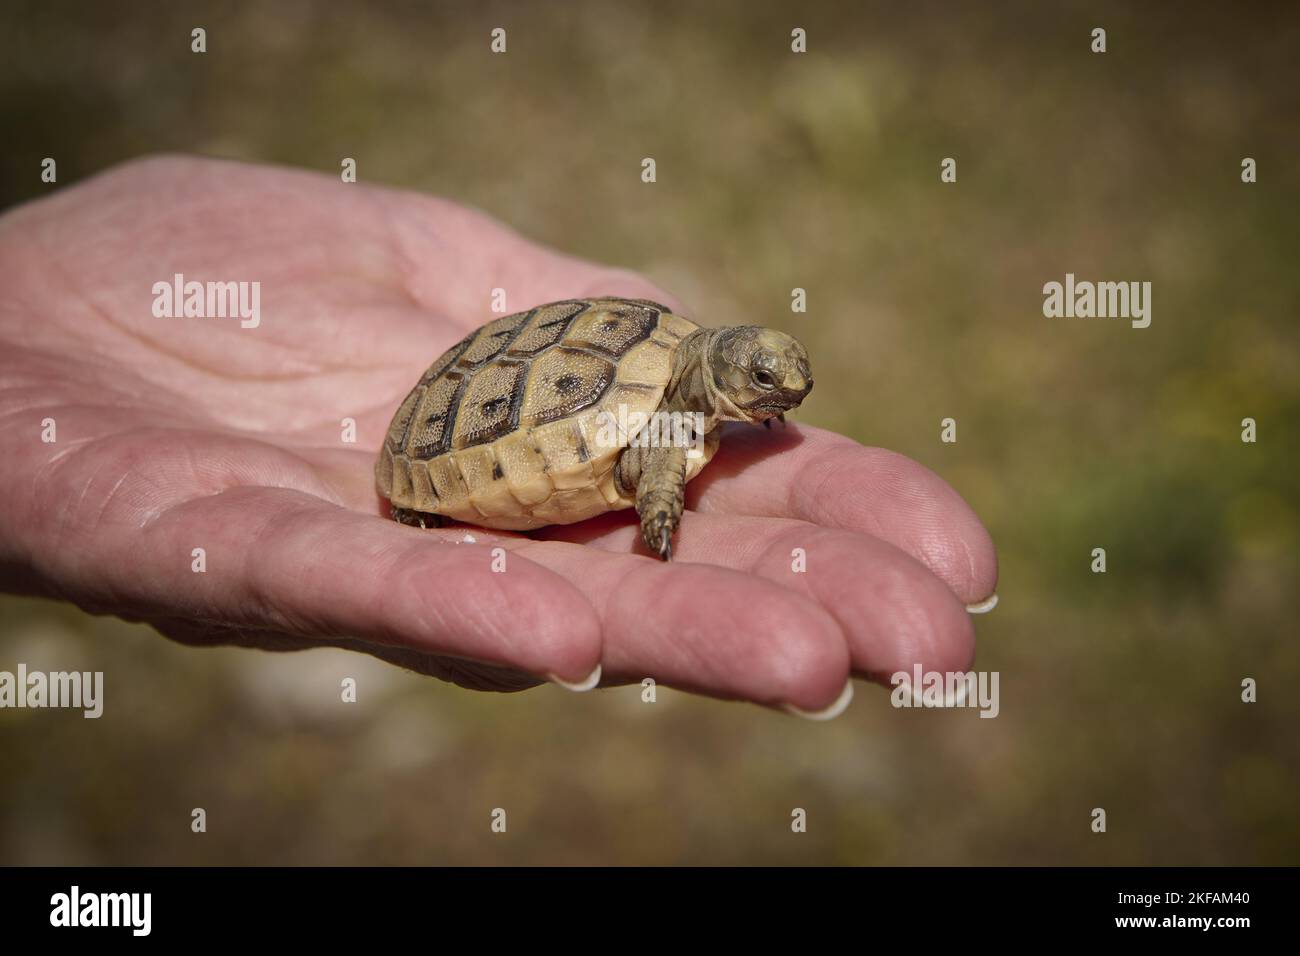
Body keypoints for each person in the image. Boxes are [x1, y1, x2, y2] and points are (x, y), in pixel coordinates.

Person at [0, 156, 997, 719]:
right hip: (457, 439)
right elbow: (654, 457)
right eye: (763, 377)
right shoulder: (664, 414)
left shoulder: (695, 380)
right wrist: (659, 515)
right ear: (719, 372)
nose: (783, 388)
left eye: (784, 378)